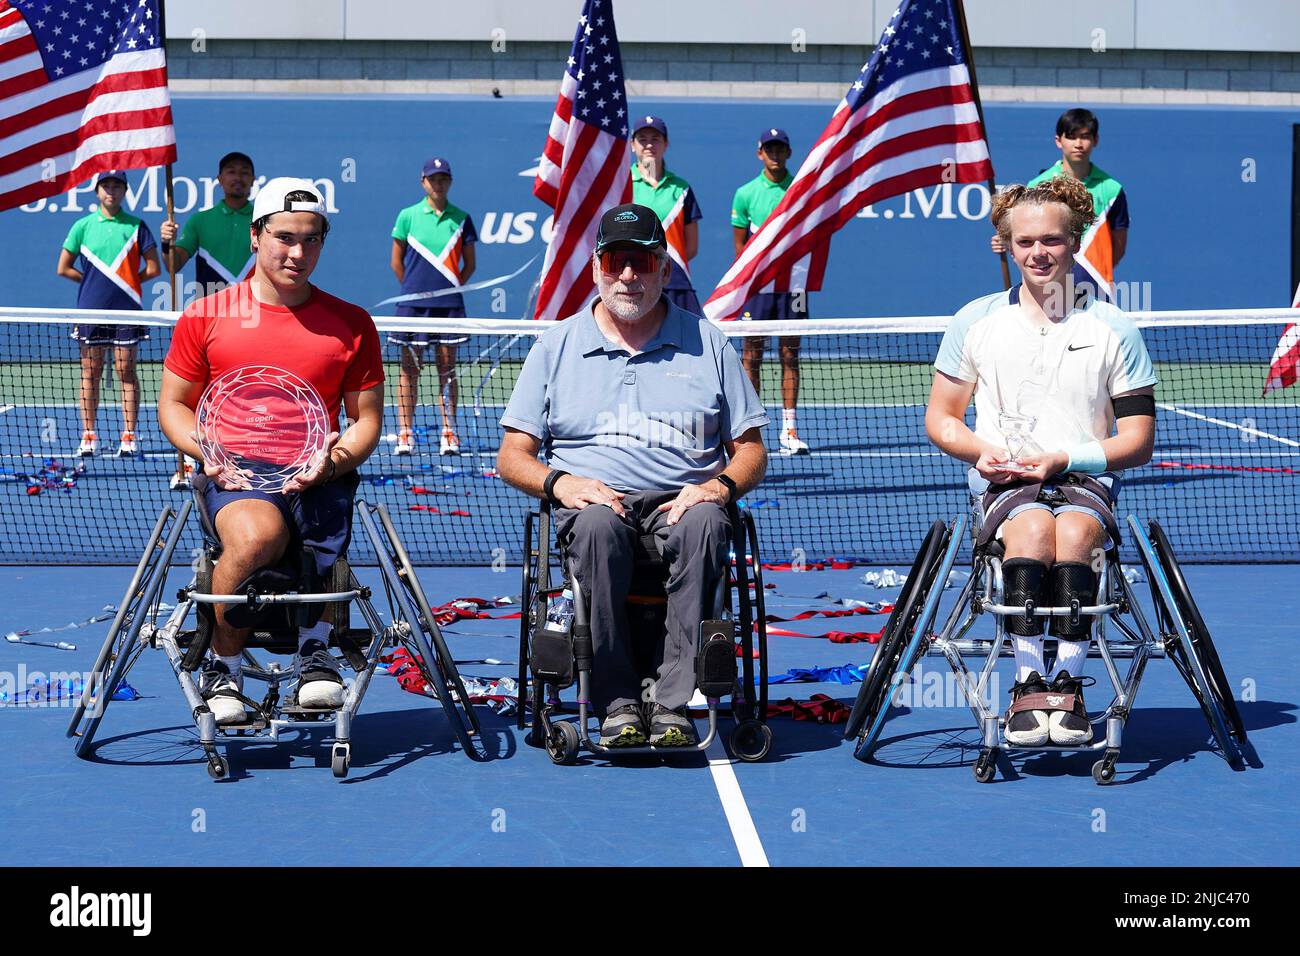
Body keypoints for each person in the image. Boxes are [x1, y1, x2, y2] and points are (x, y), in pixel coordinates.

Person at [497, 203, 768, 748]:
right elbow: (512, 455)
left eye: (642, 262)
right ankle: (616, 700)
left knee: (709, 526)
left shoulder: (709, 343)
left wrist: (717, 487)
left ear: (664, 270)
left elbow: (752, 451)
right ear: (597, 265)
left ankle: (671, 704)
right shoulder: (555, 347)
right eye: (618, 260)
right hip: (596, 504)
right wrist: (561, 484)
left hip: (684, 502)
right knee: (595, 529)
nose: (628, 275)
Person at [927, 176, 1156, 748]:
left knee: (1074, 533)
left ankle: (1068, 686)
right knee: (1031, 527)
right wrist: (988, 455)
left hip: (1084, 480)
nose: (1039, 253)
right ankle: (1028, 684)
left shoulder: (1115, 329)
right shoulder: (974, 322)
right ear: (1006, 244)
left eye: (1052, 240)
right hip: (1004, 484)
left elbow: (1139, 439)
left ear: (1074, 240)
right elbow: (942, 419)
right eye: (1025, 242)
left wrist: (1062, 459)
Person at [157, 178, 385, 725]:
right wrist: (205, 450)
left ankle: (316, 656)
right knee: (261, 536)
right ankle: (226, 668)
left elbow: (366, 420)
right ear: (256, 236)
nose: (297, 253)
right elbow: (173, 405)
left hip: (318, 468)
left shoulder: (353, 324)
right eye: (284, 238)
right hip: (233, 471)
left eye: (311, 240)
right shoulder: (205, 315)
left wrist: (332, 460)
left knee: (324, 524)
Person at [56, 170, 162, 457]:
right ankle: (88, 435)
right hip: (90, 311)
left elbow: (154, 268)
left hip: (127, 312)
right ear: (97, 191)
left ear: (125, 191)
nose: (111, 191)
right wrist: (93, 285)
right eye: (106, 185)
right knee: (90, 372)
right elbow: (63, 267)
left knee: (125, 371)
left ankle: (129, 436)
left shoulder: (138, 226)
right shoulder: (83, 226)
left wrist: (125, 284)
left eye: (117, 186)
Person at [730, 127, 818, 455]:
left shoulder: (801, 190)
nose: (775, 154)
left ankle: (789, 430)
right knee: (751, 357)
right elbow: (741, 248)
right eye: (770, 149)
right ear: (760, 153)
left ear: (788, 153)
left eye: (780, 149)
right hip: (759, 289)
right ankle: (752, 431)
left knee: (789, 356)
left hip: (792, 286)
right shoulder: (745, 193)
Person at [990, 108, 1129, 300]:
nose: (1078, 144)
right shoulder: (1037, 185)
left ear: (1095, 140)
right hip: (1048, 289)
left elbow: (1119, 247)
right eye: (1071, 137)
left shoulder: (1113, 189)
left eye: (1085, 136)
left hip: (1095, 286)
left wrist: (1091, 270)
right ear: (1059, 140)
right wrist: (1005, 240)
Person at [388, 157, 477, 456]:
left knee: (447, 369)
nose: (438, 184)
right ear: (423, 182)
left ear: (449, 182)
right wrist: (416, 292)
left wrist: (448, 289)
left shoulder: (462, 218)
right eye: (433, 179)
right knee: (409, 370)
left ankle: (449, 432)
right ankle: (404, 433)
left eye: (443, 178)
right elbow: (396, 262)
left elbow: (470, 265)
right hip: (413, 308)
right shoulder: (407, 216)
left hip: (449, 307)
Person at [629, 115, 703, 313]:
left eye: (655, 139)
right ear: (632, 145)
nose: (649, 145)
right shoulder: (621, 184)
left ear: (666, 144)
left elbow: (691, 247)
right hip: (633, 282)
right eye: (642, 139)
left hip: (676, 281)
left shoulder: (682, 189)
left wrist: (664, 267)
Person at [159, 151, 258, 296]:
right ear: (219, 179)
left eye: (244, 172)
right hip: (209, 311)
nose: (238, 177)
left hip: (253, 310)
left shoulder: (263, 220)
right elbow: (173, 265)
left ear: (253, 180)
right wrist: (166, 242)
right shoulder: (200, 220)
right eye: (231, 172)